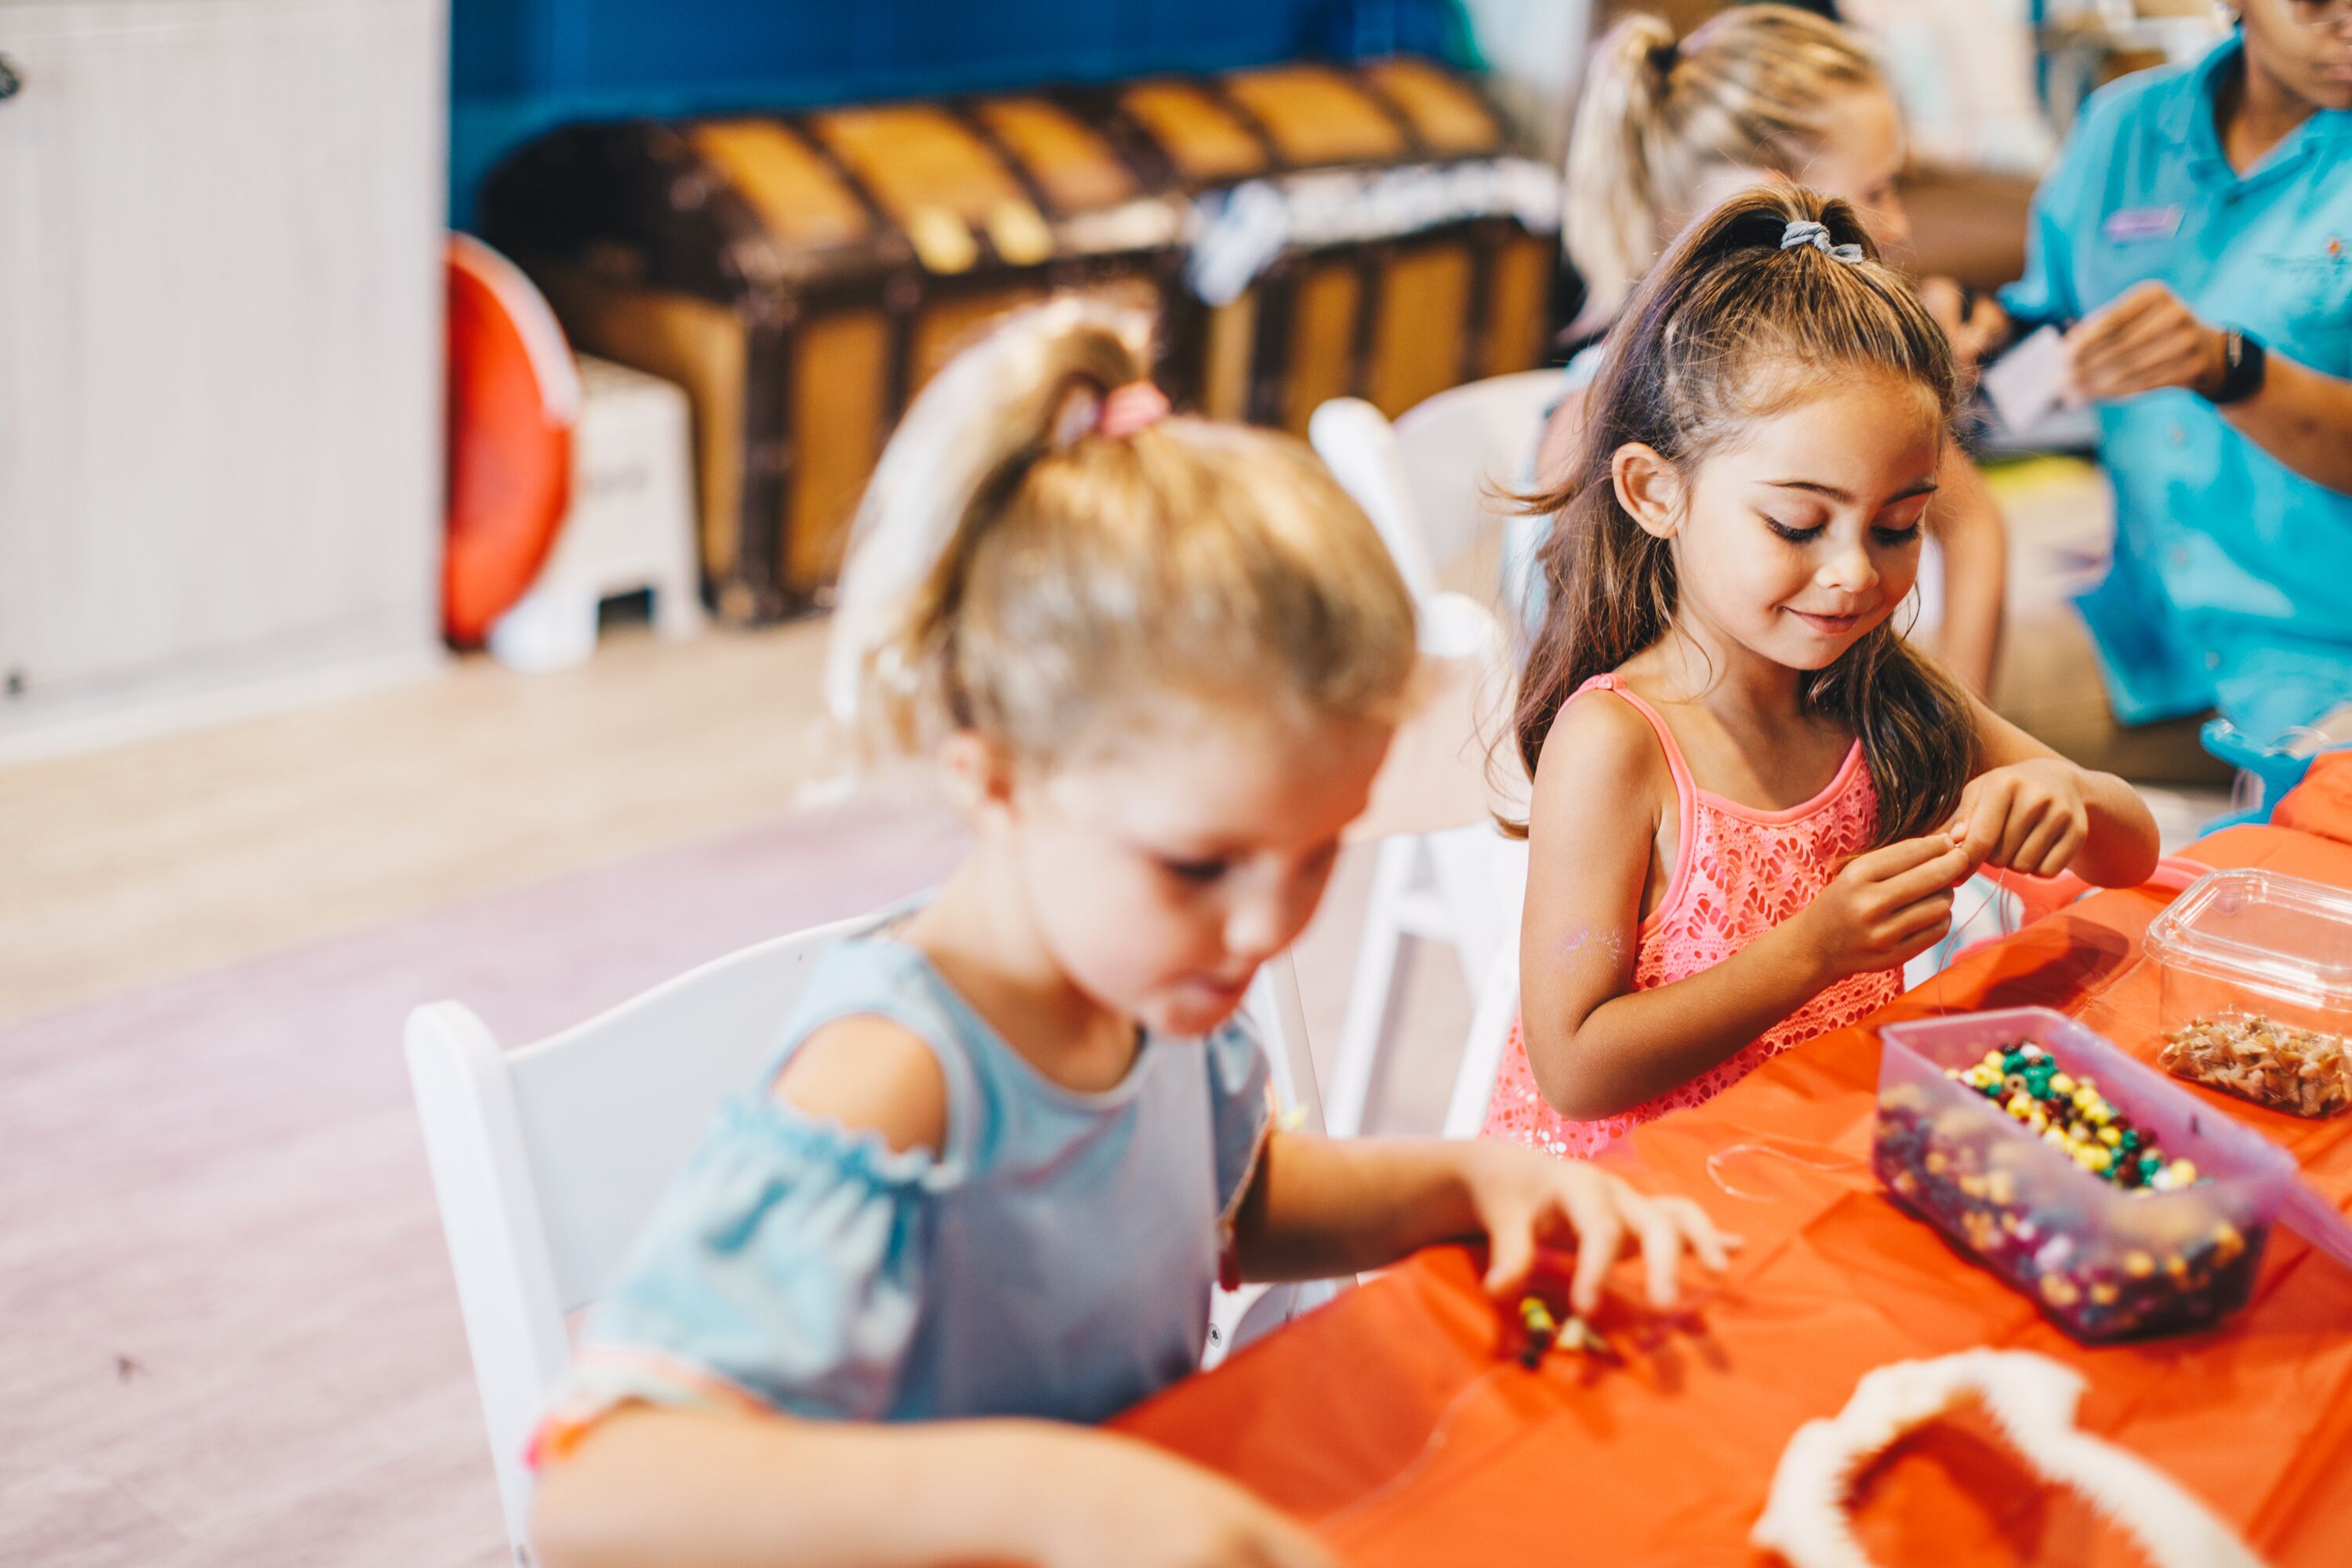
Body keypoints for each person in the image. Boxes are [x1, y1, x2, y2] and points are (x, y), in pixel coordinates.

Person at [525, 300, 1734, 1568]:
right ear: (994, 780)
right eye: (1198, 864)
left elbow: (1233, 1200)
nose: (1268, 925)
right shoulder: (901, 1074)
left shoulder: (1157, 994)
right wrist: (1058, 1498)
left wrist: (1468, 1183)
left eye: (1317, 852)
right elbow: (595, 1491)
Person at [1485, 190, 2160, 1160]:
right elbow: (1578, 1068)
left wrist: (2068, 794)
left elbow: (2129, 853)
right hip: (1623, 1204)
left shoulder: (1883, 693)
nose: (1854, 570)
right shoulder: (1619, 744)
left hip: (1810, 1162)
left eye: (1898, 527)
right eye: (1798, 525)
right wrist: (1813, 952)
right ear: (1655, 491)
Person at [1527, 5, 2008, 696]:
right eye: (1874, 190)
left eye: (1894, 529)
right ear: (1764, 197)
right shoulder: (1596, 420)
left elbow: (1974, 527)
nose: (1898, 223)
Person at [1987, 0, 2352, 764]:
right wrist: (1976, 338)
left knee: (2271, 861)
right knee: (1898, 742)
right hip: (2147, 633)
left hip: (2325, 652)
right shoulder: (2122, 128)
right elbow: (2041, 322)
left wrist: (2231, 369)